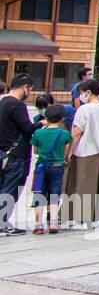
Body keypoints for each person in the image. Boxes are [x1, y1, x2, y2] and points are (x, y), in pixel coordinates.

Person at [64, 78, 99, 228]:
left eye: (81, 93)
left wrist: (69, 151)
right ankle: (94, 215)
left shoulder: (85, 109)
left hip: (85, 151)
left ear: (87, 92)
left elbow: (76, 132)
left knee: (82, 185)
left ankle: (83, 218)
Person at [0, 73, 37, 236]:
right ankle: (2, 223)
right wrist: (40, 124)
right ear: (25, 87)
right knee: (10, 188)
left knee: (3, 186)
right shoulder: (17, 105)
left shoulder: (2, 102)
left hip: (3, 152)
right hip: (16, 154)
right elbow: (27, 128)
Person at [30, 102, 71, 235]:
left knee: (39, 194)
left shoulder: (38, 133)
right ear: (61, 119)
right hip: (58, 167)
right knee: (54, 194)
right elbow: (65, 152)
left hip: (41, 167)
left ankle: (38, 225)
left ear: (45, 118)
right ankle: (53, 223)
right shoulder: (64, 134)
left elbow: (35, 151)